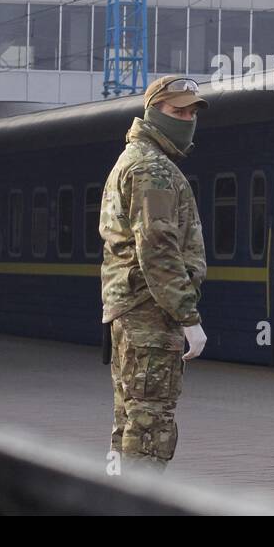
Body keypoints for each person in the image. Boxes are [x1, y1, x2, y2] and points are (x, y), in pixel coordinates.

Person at [100, 75, 209, 472]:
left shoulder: (135, 160)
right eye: (177, 111)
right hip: (150, 313)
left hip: (134, 311)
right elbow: (158, 250)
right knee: (149, 427)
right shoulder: (152, 169)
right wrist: (188, 316)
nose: (187, 119)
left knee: (131, 421)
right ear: (153, 111)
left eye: (192, 112)